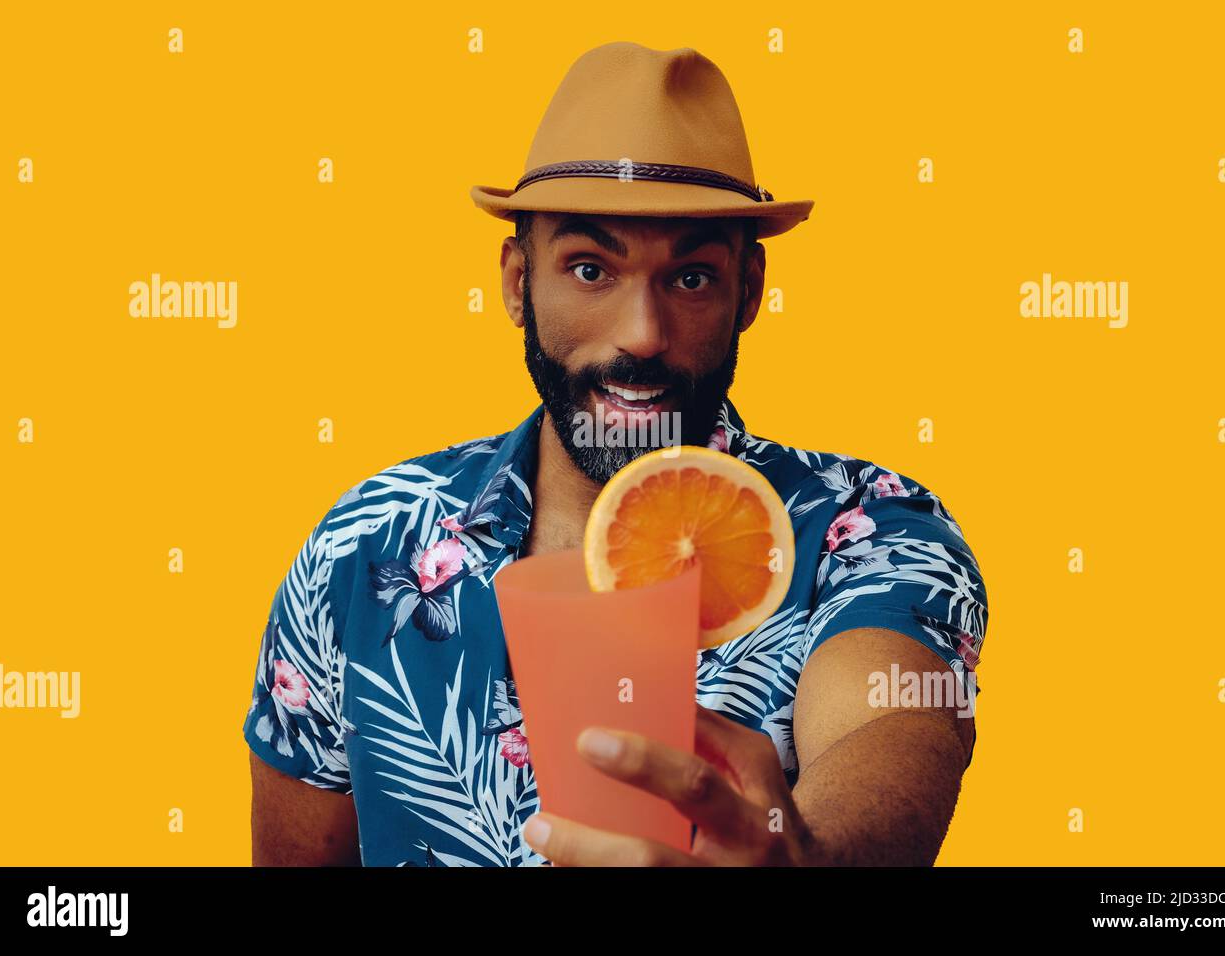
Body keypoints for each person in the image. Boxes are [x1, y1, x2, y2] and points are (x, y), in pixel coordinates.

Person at [244, 41, 988, 867]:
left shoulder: (867, 529)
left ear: (749, 290)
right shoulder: (365, 545)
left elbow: (886, 735)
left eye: (692, 278)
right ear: (518, 283)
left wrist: (810, 857)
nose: (642, 333)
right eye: (591, 268)